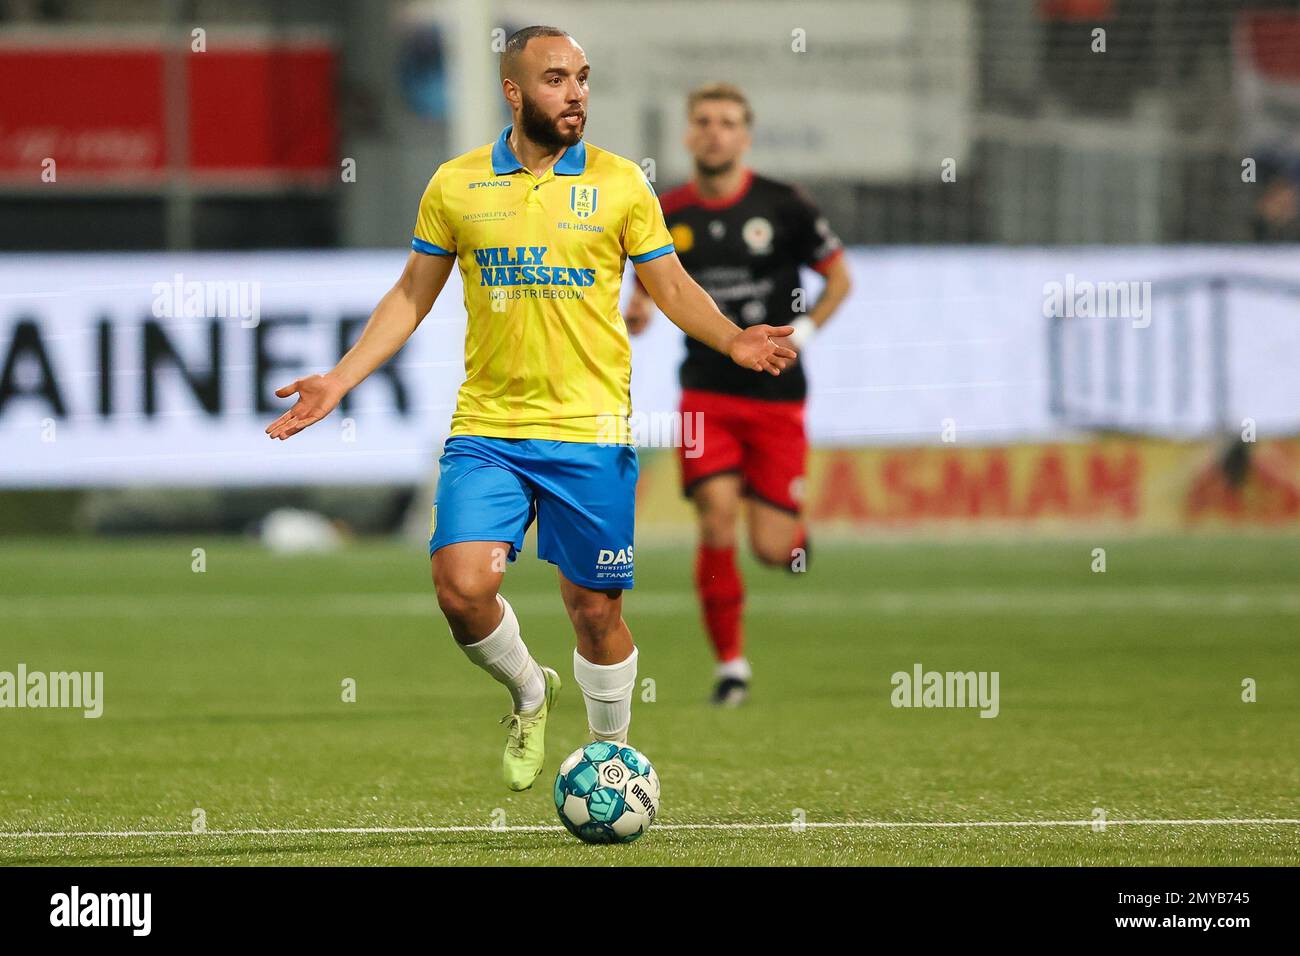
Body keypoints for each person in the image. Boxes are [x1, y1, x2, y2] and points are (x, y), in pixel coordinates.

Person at [265, 30, 797, 790]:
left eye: (582, 77)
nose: (576, 92)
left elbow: (672, 286)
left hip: (590, 431)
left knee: (594, 614)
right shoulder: (456, 183)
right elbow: (413, 294)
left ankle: (611, 759)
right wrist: (341, 380)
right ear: (513, 92)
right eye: (555, 79)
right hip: (489, 430)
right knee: (462, 589)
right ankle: (528, 689)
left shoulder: (620, 184)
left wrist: (733, 338)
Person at [623, 83, 852, 706]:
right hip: (706, 396)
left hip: (777, 396)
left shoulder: (785, 206)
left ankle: (792, 535)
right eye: (703, 121)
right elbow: (651, 282)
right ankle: (732, 667)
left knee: (772, 549)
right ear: (688, 134)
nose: (715, 132)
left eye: (727, 122)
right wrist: (637, 309)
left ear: (745, 136)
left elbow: (839, 279)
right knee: (717, 516)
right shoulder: (665, 210)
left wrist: (801, 331)